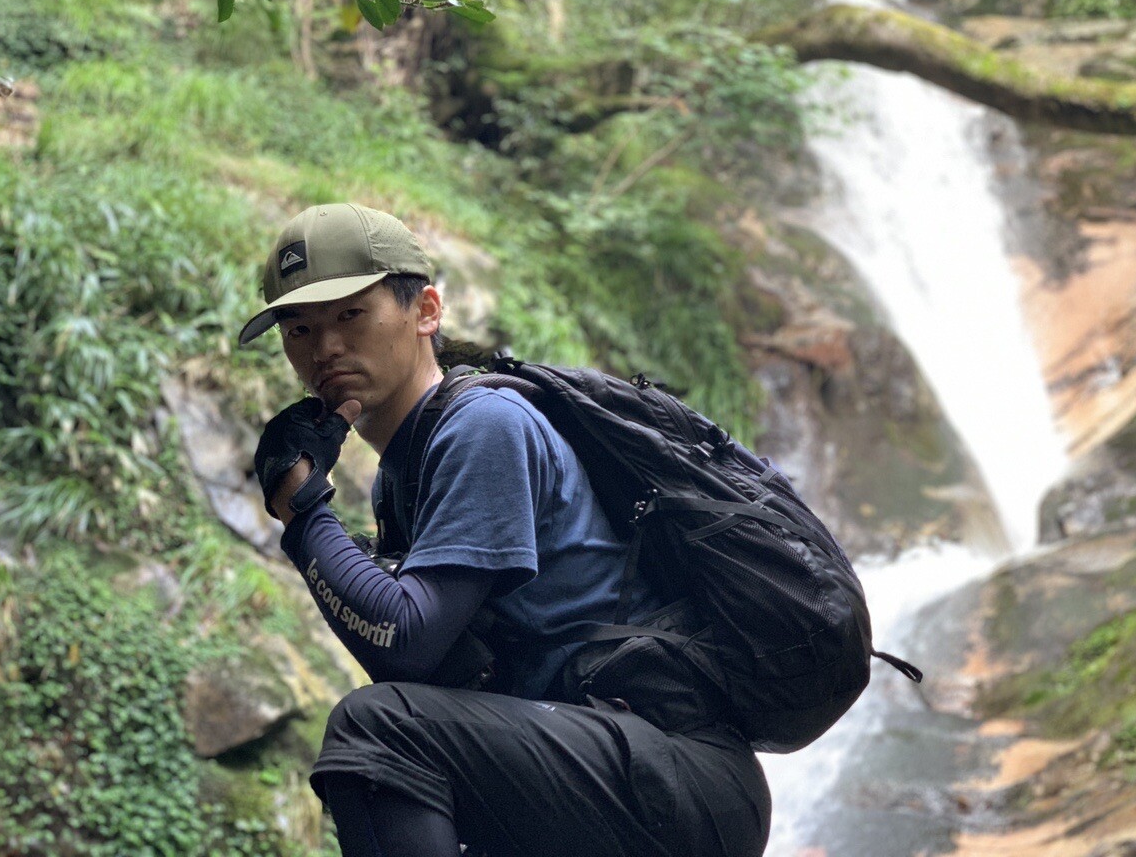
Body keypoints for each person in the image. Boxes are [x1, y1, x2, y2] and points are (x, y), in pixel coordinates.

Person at [239, 203, 771, 857]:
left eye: (351, 314)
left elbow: (404, 641)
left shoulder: (481, 426)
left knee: (378, 730)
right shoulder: (401, 474)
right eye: (299, 329)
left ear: (426, 311)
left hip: (678, 770)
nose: (324, 348)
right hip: (600, 760)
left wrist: (305, 512)